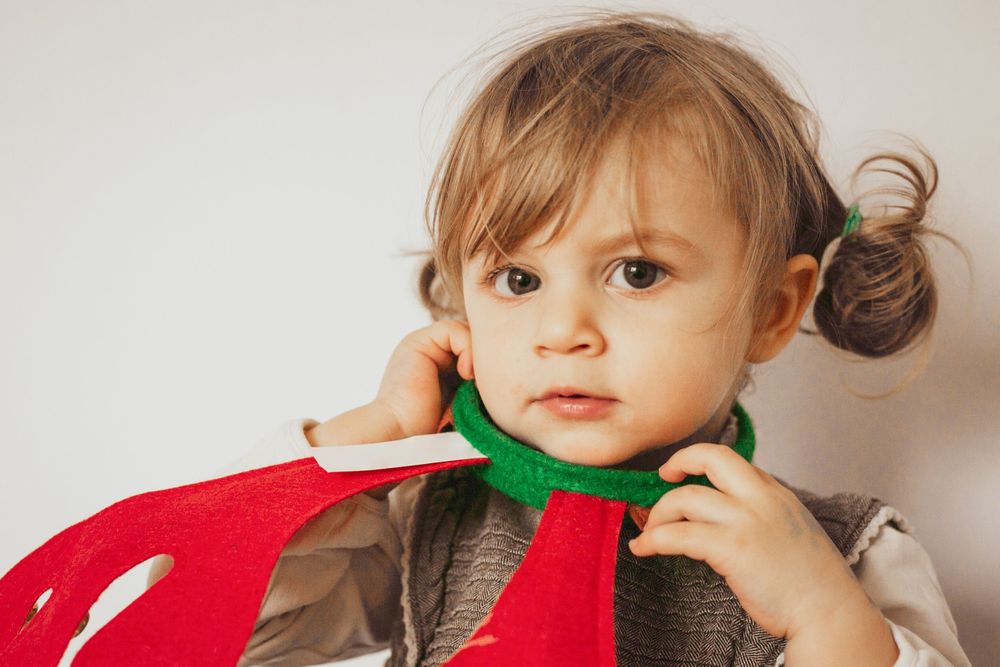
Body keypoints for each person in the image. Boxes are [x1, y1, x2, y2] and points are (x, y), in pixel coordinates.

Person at [148, 9, 971, 666]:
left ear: (772, 309)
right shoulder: (419, 519)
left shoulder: (848, 558)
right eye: (518, 280)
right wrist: (359, 448)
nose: (562, 331)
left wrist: (826, 619)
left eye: (637, 272)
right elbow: (192, 628)